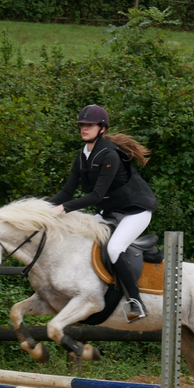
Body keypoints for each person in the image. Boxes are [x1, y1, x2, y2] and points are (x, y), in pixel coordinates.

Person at [48, 104, 158, 321]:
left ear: (102, 128)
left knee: (115, 248)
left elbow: (96, 195)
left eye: (89, 125)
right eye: (82, 125)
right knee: (80, 239)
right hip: (110, 212)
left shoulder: (110, 155)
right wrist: (42, 209)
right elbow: (67, 191)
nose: (84, 128)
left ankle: (136, 301)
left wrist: (63, 208)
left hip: (135, 212)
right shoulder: (82, 156)